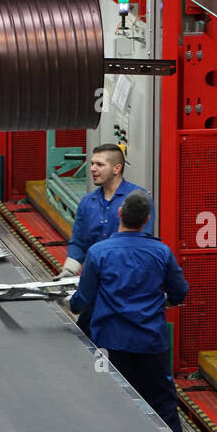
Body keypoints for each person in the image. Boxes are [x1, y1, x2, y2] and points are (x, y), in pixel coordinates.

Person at [68, 191, 189, 432]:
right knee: (162, 400)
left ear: (119, 214)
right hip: (150, 341)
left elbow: (85, 297)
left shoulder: (99, 252)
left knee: (110, 397)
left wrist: (72, 304)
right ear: (146, 219)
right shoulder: (161, 252)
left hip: (110, 342)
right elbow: (180, 291)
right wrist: (167, 301)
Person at [59, 144, 154, 338]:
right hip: (94, 287)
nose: (93, 169)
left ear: (116, 168)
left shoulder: (137, 199)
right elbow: (79, 241)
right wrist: (69, 269)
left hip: (125, 288)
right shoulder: (88, 202)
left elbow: (141, 243)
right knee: (86, 339)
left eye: (99, 165)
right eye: (92, 164)